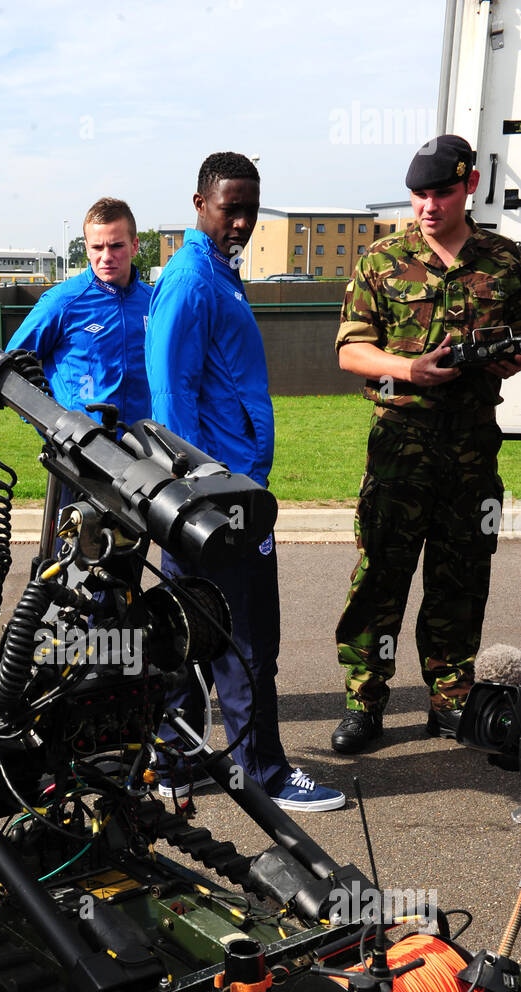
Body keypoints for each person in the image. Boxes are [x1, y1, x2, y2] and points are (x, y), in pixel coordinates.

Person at [145, 151, 344, 812]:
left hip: (221, 495)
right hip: (217, 500)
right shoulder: (192, 280)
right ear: (199, 202)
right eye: (230, 207)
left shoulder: (216, 275)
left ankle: (175, 765)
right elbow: (172, 394)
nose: (241, 222)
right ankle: (263, 774)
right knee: (248, 644)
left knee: (192, 634)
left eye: (250, 211)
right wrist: (197, 492)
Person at [331, 134, 521, 755]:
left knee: (461, 579)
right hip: (400, 447)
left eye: (440, 192)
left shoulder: (506, 262)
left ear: (468, 186)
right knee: (380, 578)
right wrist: (409, 369)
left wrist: (508, 358)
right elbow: (350, 350)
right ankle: (365, 701)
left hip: (471, 451)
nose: (427, 206)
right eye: (418, 195)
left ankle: (450, 698)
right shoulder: (382, 261)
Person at [6, 196, 152, 441]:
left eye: (116, 245)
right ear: (86, 248)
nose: (106, 256)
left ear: (135, 246)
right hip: (81, 452)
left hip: (146, 450)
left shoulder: (155, 303)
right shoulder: (61, 303)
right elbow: (12, 367)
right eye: (97, 247)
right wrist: (49, 426)